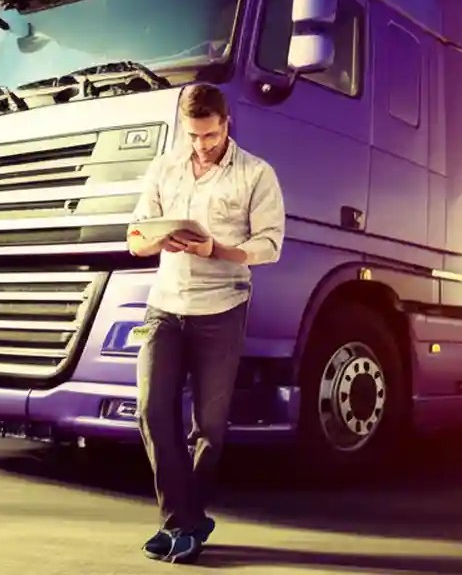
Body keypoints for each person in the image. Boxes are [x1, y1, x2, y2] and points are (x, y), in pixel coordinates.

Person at [125, 83, 285, 564]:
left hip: (222, 307)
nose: (202, 145)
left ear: (226, 123)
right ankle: (185, 522)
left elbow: (270, 245)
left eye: (210, 135)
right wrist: (157, 242)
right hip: (165, 305)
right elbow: (134, 237)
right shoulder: (164, 167)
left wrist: (216, 249)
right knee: (151, 412)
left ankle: (181, 525)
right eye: (193, 135)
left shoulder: (257, 174)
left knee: (209, 428)